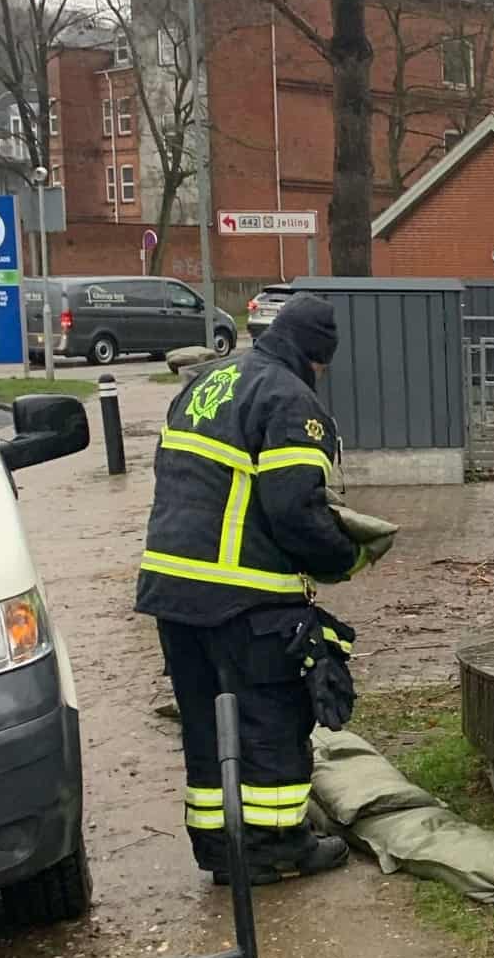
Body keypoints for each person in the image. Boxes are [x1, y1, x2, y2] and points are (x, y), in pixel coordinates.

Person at [135, 295, 374, 885]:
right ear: (317, 357)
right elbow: (295, 509)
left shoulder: (207, 382)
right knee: (269, 718)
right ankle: (276, 851)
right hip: (245, 598)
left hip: (173, 593)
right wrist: (344, 557)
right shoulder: (290, 400)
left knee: (207, 722)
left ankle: (222, 852)